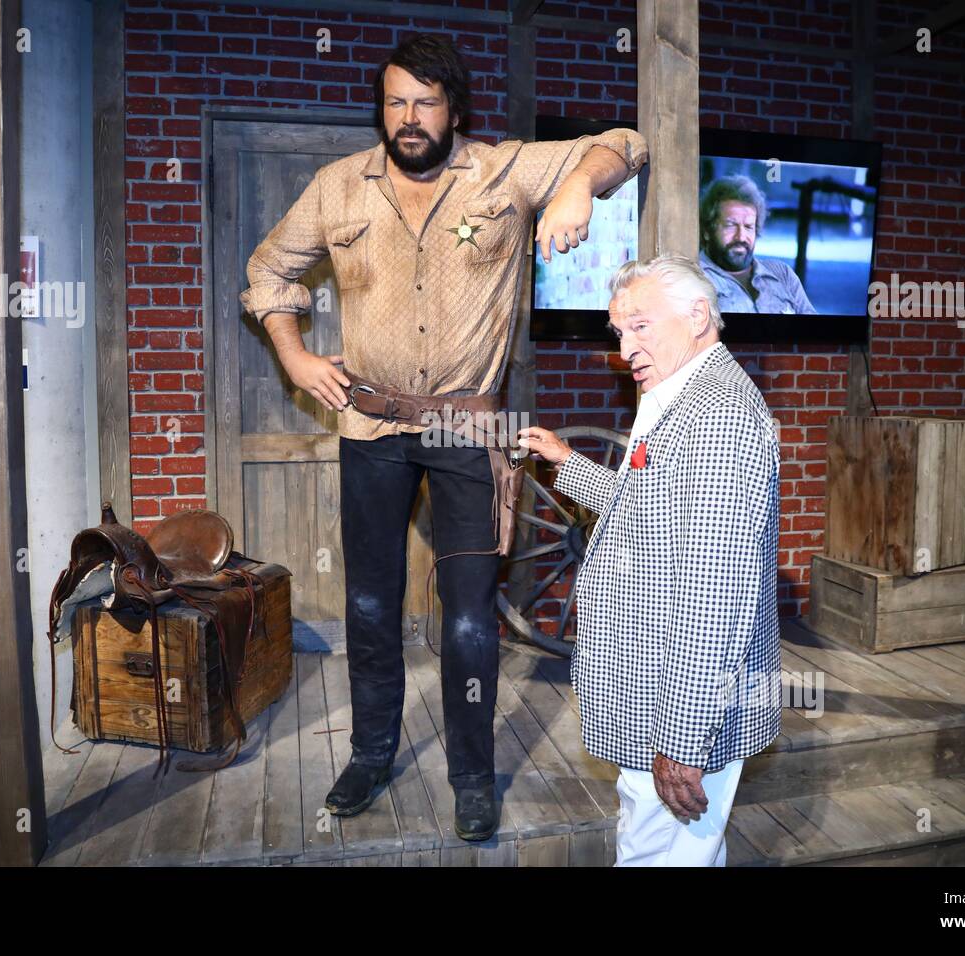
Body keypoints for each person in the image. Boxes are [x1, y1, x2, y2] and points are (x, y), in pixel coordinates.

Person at [240, 34, 647, 842]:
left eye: (426, 102)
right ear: (381, 109)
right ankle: (371, 752)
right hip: (369, 423)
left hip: (468, 428)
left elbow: (625, 144)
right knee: (369, 602)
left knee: (467, 616)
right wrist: (293, 357)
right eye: (396, 102)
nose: (410, 118)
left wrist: (575, 192)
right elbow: (267, 271)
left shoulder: (502, 169)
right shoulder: (337, 187)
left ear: (453, 109)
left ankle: (469, 776)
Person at [517, 254, 781, 866]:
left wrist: (684, 741)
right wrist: (568, 462)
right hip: (658, 690)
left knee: (658, 852)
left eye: (640, 325)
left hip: (684, 709)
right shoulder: (681, 390)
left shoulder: (717, 418)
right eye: (619, 332)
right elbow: (651, 515)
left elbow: (717, 598)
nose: (626, 346)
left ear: (696, 315)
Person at [699, 175, 816, 315]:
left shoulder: (783, 274)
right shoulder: (692, 280)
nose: (741, 237)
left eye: (748, 227)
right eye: (730, 225)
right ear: (707, 230)